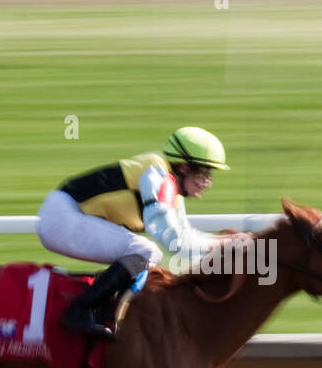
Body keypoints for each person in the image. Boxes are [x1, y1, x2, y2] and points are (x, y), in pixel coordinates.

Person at [35, 126, 251, 339]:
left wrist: (227, 240)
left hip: (68, 213)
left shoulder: (171, 185)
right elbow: (175, 243)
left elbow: (187, 235)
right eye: (203, 174)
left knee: (144, 258)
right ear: (184, 167)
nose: (206, 183)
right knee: (147, 252)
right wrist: (226, 243)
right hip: (63, 218)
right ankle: (79, 310)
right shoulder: (158, 176)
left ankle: (101, 308)